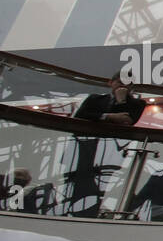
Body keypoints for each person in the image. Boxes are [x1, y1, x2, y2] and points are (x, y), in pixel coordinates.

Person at [63, 74, 147, 217]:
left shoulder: (138, 104)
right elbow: (80, 116)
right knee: (74, 181)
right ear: (110, 82)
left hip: (112, 152)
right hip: (84, 148)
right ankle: (70, 210)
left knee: (102, 185)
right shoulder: (94, 99)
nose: (123, 86)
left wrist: (121, 101)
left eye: (127, 84)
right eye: (120, 82)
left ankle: (94, 212)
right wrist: (109, 117)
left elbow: (127, 121)